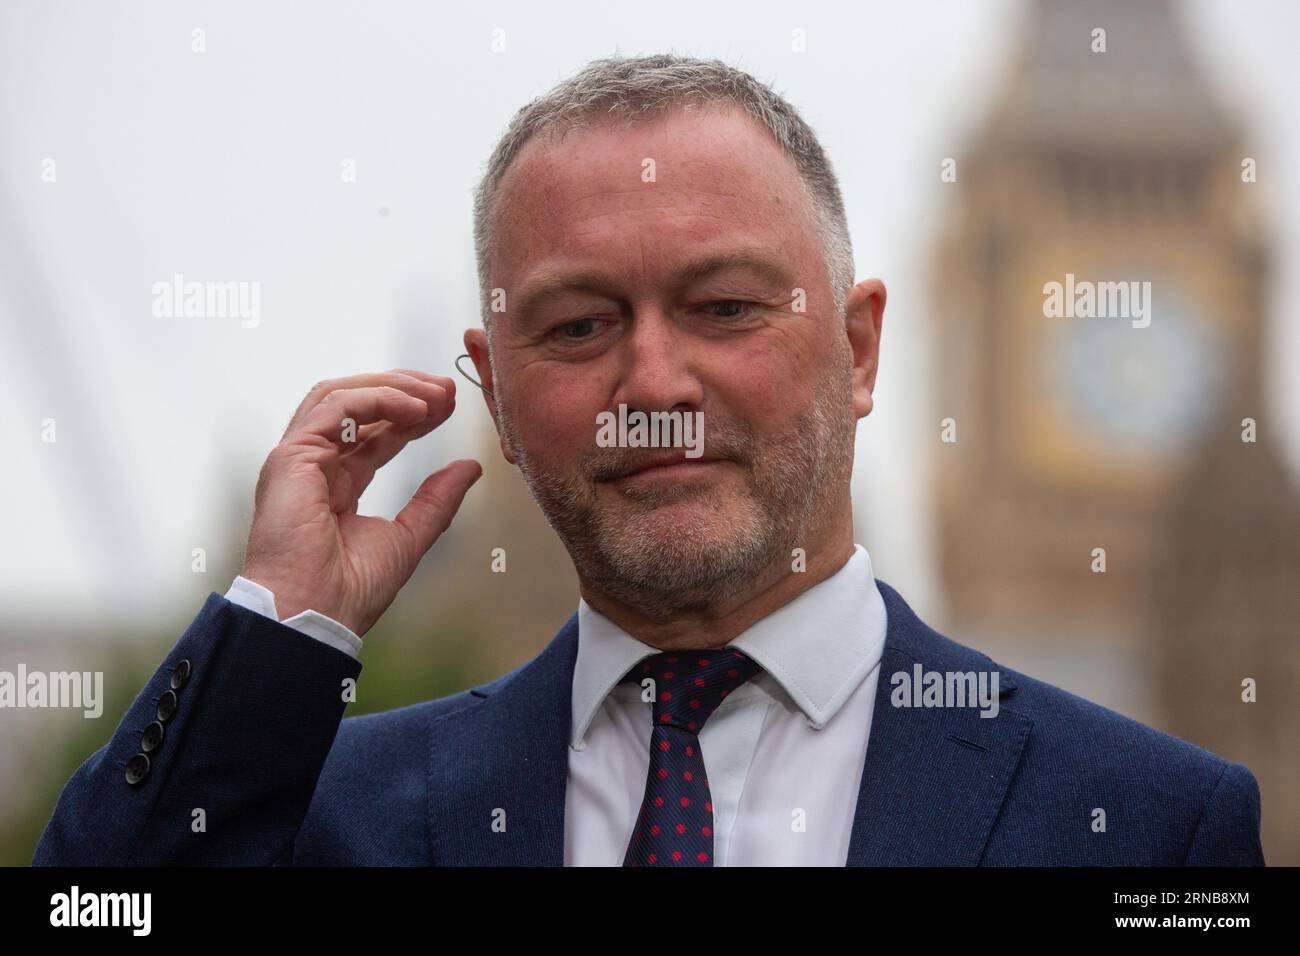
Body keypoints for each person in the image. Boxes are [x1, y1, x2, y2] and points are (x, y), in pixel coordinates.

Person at [34, 54, 1263, 866]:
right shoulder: (326, 809)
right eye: (577, 326)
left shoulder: (1150, 825)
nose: (655, 383)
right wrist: (277, 632)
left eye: (724, 306)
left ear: (858, 347)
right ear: (497, 401)